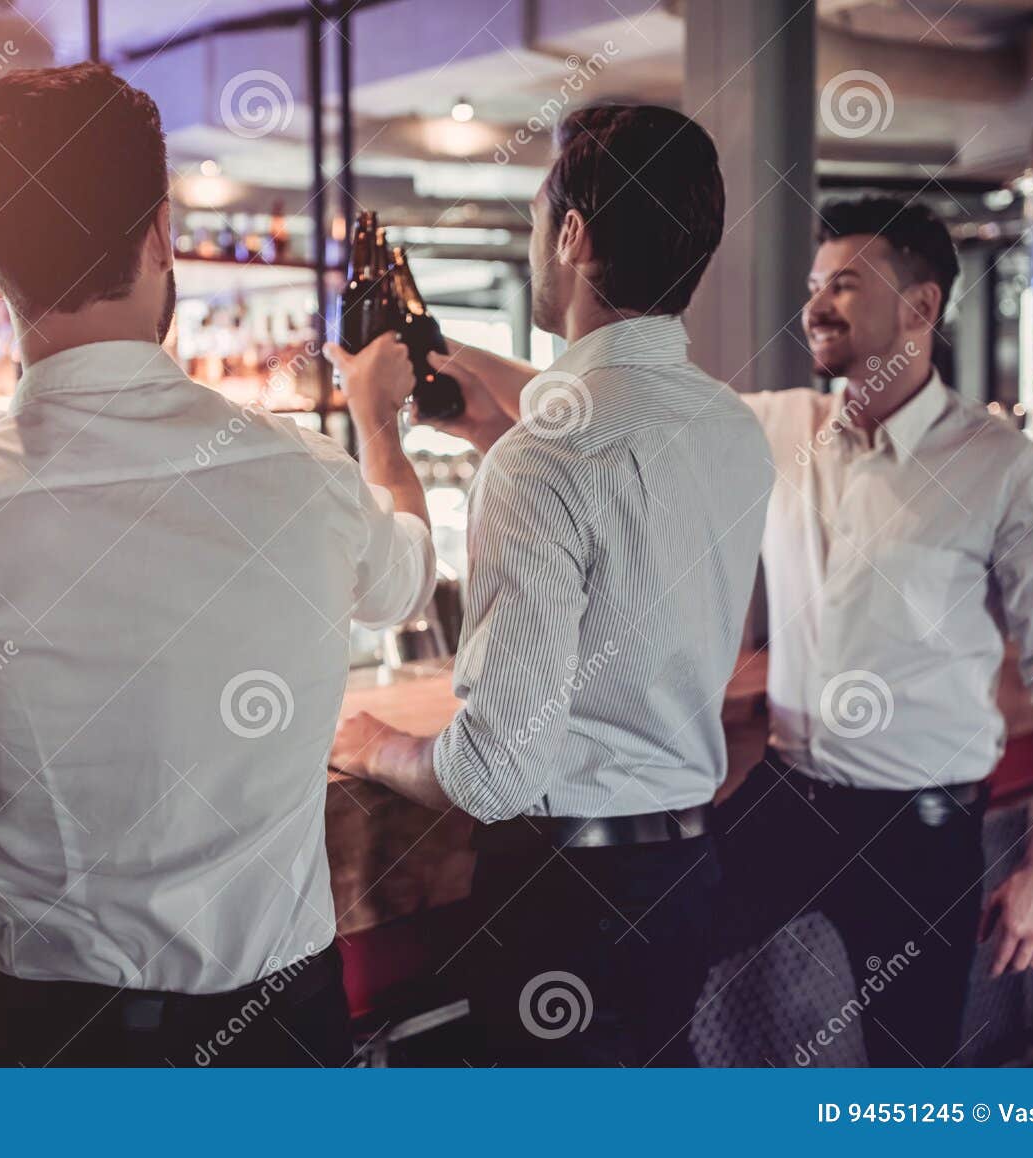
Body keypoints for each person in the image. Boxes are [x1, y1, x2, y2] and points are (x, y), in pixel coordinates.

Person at [0, 63, 436, 1067]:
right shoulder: (308, 480)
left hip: (69, 1049)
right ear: (160, 231)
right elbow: (408, 572)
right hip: (286, 1037)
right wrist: (379, 424)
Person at [328, 104, 773, 1066]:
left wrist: (373, 748)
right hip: (688, 876)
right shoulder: (732, 427)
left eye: (539, 219)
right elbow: (631, 493)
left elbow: (494, 775)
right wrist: (503, 427)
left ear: (571, 234)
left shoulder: (541, 459)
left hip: (567, 907)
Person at [721, 197, 1033, 1066]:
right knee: (652, 955)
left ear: (922, 308)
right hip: (788, 798)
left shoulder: (1003, 469)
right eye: (813, 286)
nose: (816, 305)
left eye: (845, 285)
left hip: (920, 832)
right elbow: (625, 412)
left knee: (911, 1073)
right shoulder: (780, 428)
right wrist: (437, 368)